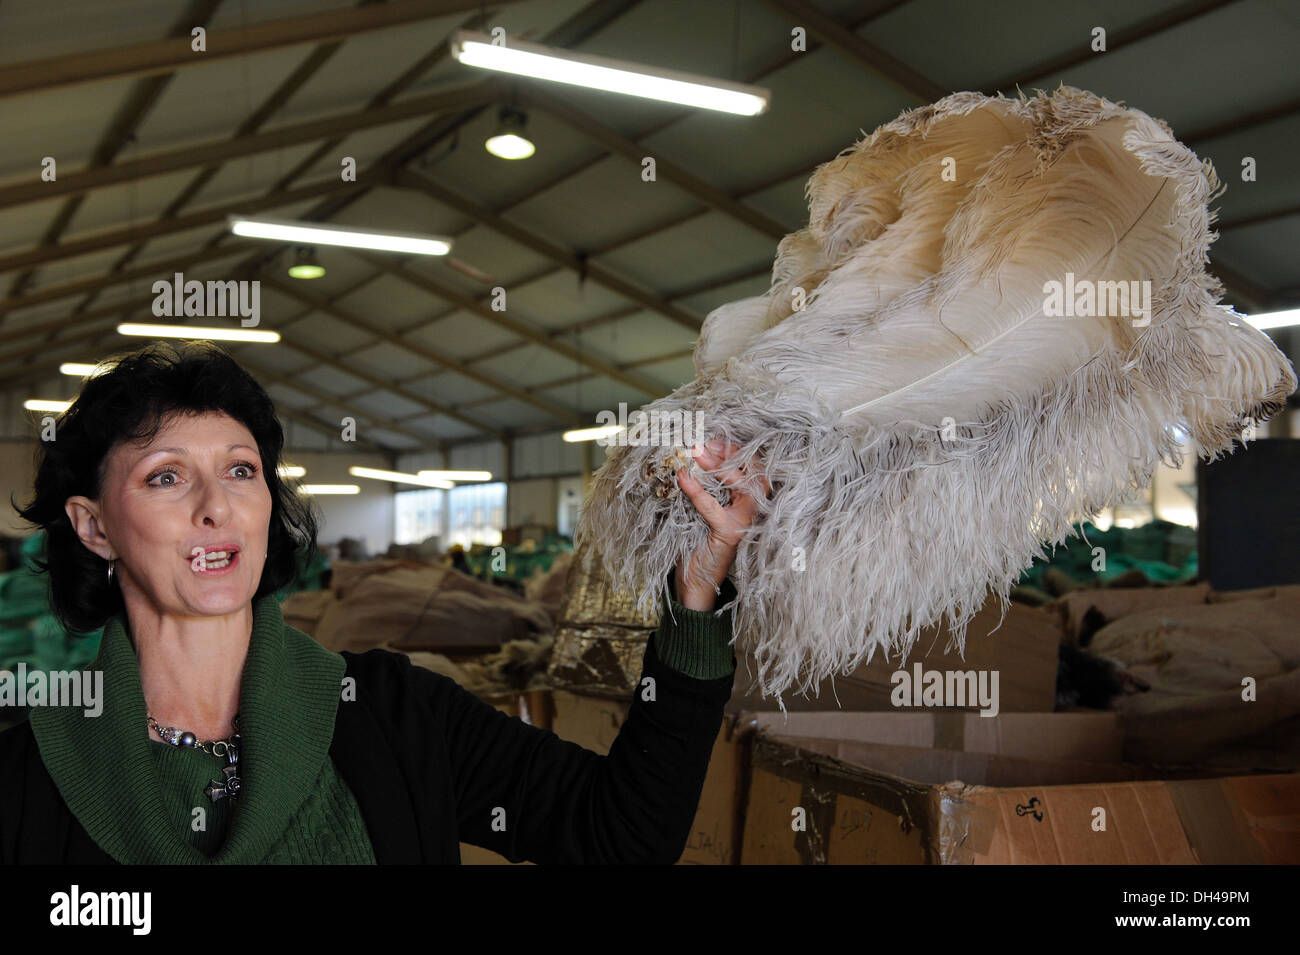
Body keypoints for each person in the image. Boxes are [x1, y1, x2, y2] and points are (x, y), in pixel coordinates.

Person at [0, 341, 767, 864]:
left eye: (240, 471)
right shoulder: (29, 776)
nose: (216, 507)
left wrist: (695, 594)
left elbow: (622, 833)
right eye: (165, 476)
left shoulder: (393, 714)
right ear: (94, 526)